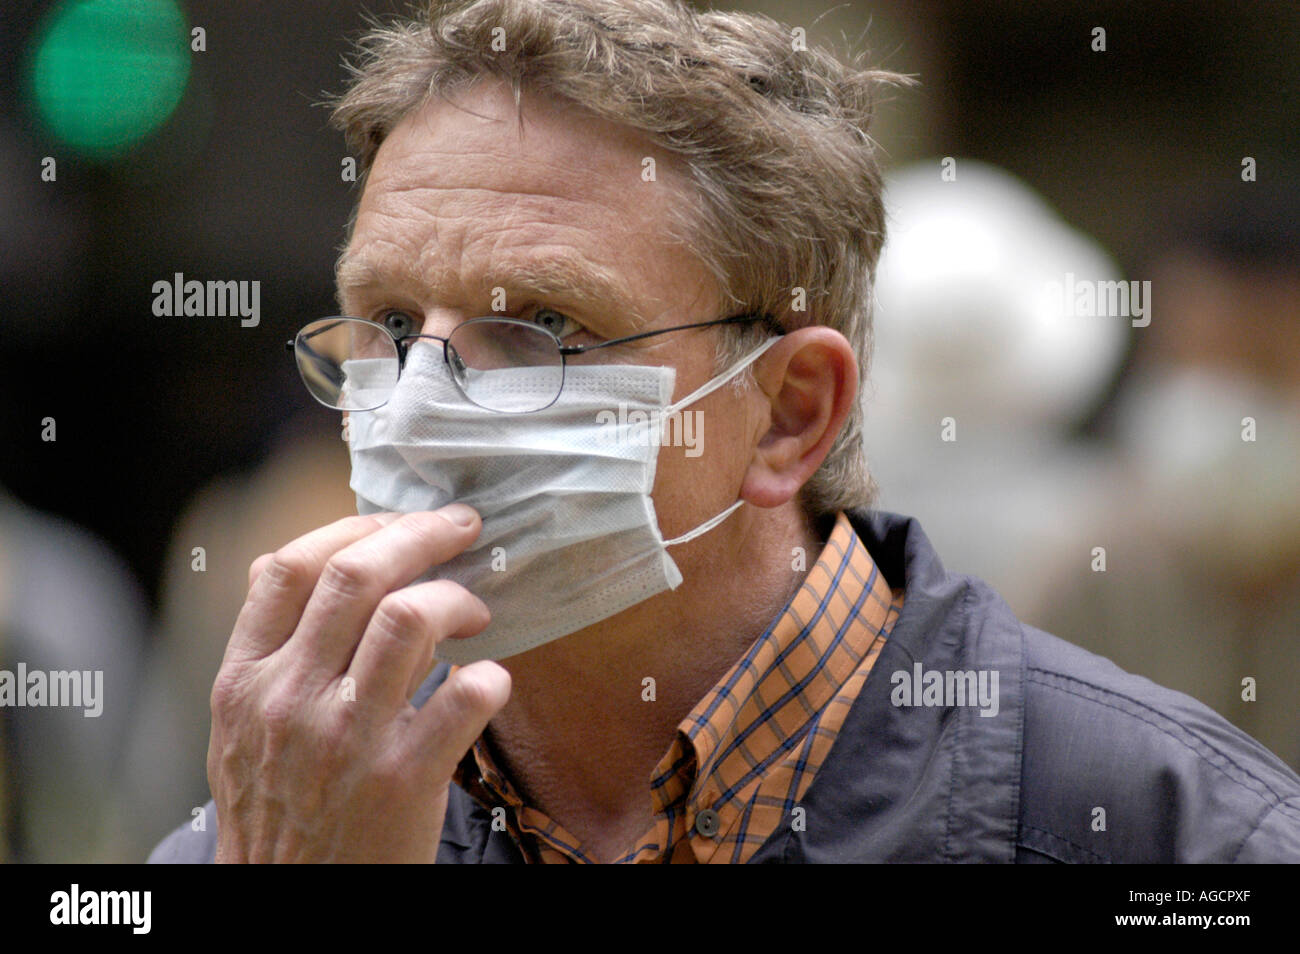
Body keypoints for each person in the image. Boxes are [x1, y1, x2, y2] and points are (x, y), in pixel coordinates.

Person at [149, 0, 1300, 863]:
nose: (421, 399)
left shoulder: (1177, 836)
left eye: (544, 323)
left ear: (789, 413)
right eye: (390, 321)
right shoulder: (281, 831)